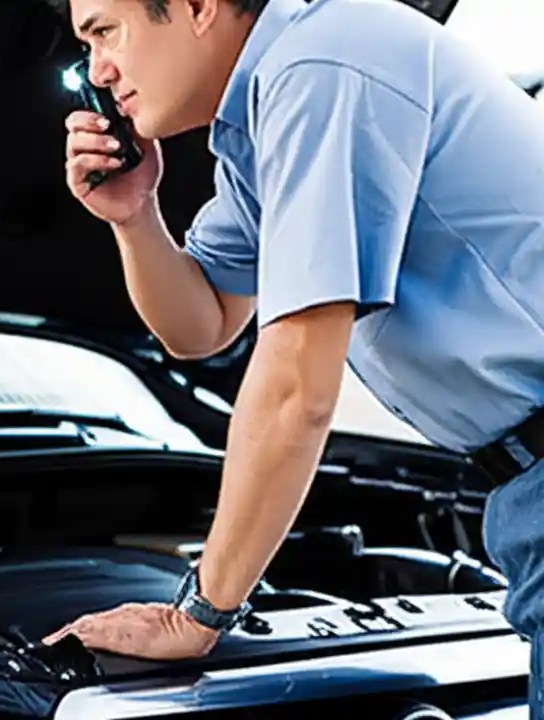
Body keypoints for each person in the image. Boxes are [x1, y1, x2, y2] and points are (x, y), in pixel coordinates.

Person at [40, 0, 544, 711]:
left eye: (105, 32)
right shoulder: (263, 115)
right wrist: (135, 217)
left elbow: (296, 387)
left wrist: (200, 615)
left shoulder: (323, 66)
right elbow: (205, 325)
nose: (97, 71)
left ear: (197, 7)